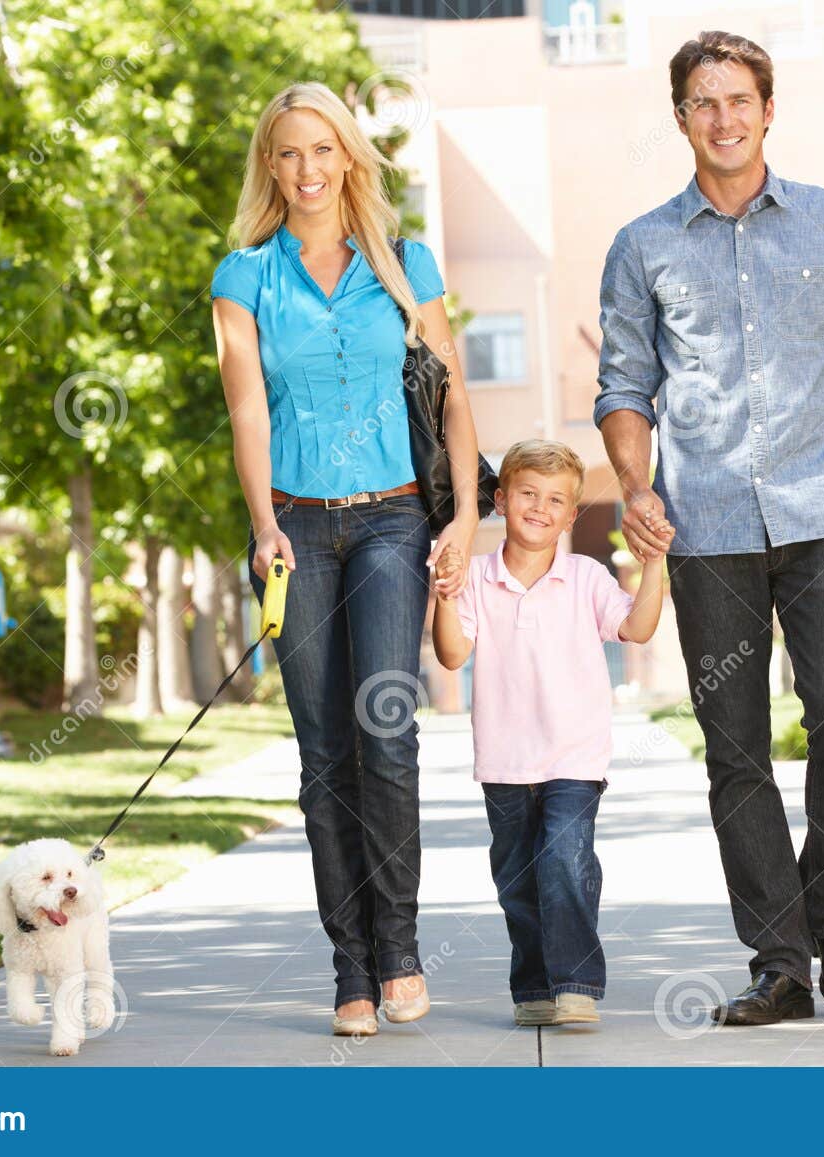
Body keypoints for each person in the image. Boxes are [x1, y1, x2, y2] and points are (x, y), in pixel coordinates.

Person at [593, 31, 824, 1027]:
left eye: (739, 98)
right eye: (703, 102)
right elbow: (623, 384)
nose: (724, 117)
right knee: (734, 748)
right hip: (705, 527)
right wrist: (634, 480)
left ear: (766, 109)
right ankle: (780, 960)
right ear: (681, 118)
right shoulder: (643, 246)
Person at [210, 82, 483, 1037]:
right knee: (324, 757)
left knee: (386, 732)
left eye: (324, 149)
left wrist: (468, 516)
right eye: (289, 153)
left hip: (393, 523)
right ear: (270, 167)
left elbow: (450, 397)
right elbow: (248, 407)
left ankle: (400, 945)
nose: (309, 169)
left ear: (350, 158)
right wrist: (261, 523)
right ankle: (352, 967)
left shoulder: (405, 266)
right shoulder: (243, 277)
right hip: (295, 527)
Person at [430, 440, 667, 1026]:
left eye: (556, 499)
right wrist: (442, 595)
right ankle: (533, 987)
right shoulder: (477, 578)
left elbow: (636, 627)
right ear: (502, 500)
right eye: (529, 494)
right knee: (516, 879)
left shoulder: (585, 577)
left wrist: (655, 564)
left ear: (571, 515)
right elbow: (452, 654)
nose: (540, 507)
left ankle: (577, 983)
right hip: (505, 761)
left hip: (574, 758)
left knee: (565, 860)